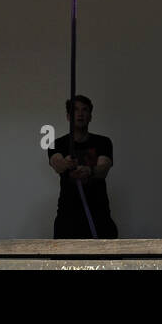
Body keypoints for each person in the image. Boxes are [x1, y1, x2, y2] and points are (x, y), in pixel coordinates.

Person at [48, 94, 118, 239]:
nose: (80, 114)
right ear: (68, 116)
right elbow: (57, 164)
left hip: (98, 216)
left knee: (105, 260)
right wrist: (66, 163)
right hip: (68, 218)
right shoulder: (57, 144)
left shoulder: (103, 142)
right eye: (75, 110)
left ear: (90, 116)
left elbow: (103, 168)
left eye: (85, 110)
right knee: (64, 262)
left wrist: (90, 170)